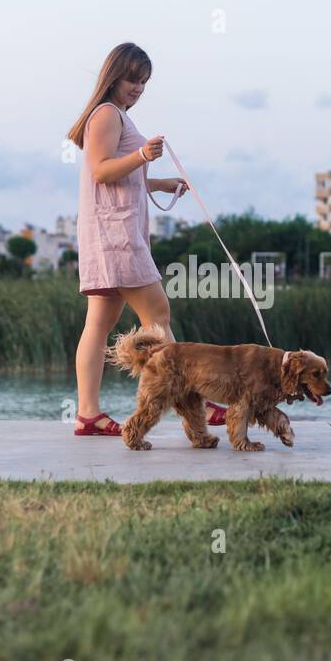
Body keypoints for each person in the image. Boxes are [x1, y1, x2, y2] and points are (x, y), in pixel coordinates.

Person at [65, 42, 227, 436]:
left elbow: (115, 177)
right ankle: (196, 401)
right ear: (113, 75)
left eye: (143, 81)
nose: (137, 87)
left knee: (99, 325)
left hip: (109, 235)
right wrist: (142, 155)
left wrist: (158, 180)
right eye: (132, 79)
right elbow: (102, 171)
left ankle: (88, 415)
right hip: (118, 238)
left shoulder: (112, 115)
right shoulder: (106, 114)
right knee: (158, 315)